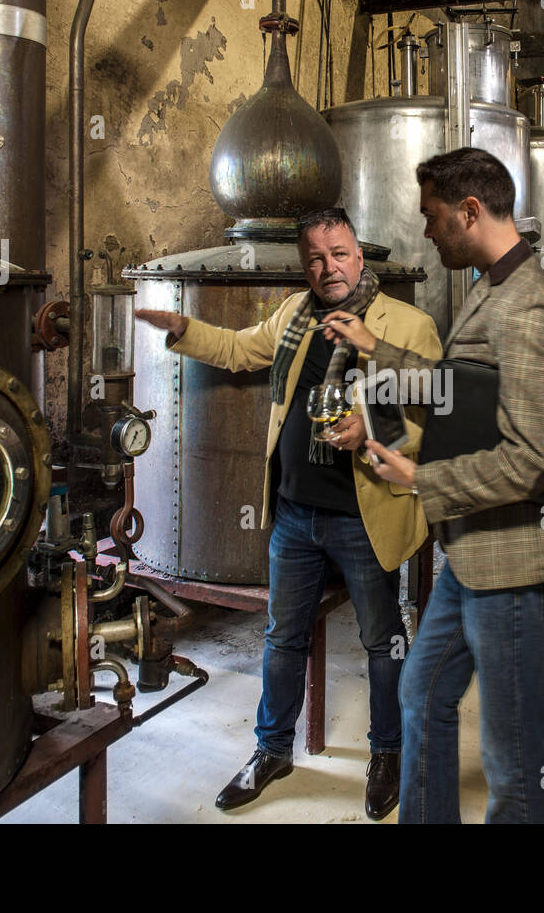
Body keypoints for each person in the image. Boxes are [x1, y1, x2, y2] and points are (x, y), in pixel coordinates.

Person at [136, 208, 442, 820]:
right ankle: (271, 751)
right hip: (296, 513)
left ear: (359, 255)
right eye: (314, 259)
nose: (327, 267)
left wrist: (369, 433)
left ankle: (388, 754)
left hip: (364, 512)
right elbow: (237, 350)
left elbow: (430, 403)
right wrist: (180, 327)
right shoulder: (293, 314)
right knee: (282, 639)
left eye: (338, 253)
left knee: (384, 642)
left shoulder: (406, 323)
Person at [322, 148, 544, 824]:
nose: (427, 233)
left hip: (516, 563)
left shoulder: (529, 307)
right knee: (422, 696)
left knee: (513, 757)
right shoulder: (493, 286)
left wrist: (421, 479)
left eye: (435, 219)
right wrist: (376, 351)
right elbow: (453, 391)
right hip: (472, 552)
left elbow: (534, 460)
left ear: (470, 211)